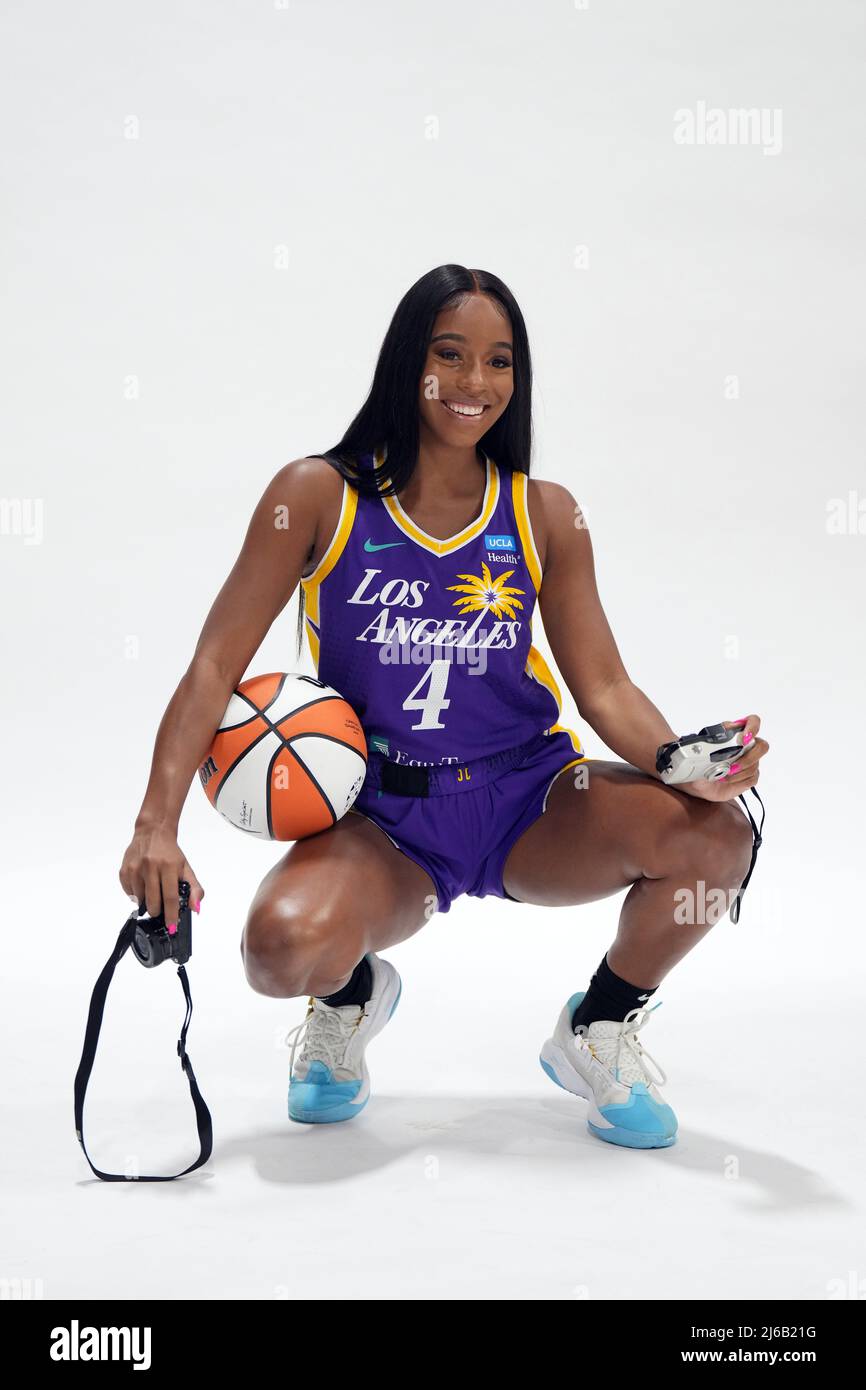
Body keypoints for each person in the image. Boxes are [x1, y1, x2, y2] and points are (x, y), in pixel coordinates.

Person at [119, 264, 768, 1151]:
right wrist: (157, 822)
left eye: (499, 361)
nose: (475, 383)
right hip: (382, 820)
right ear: (406, 363)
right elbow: (212, 665)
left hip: (529, 802)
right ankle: (349, 997)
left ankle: (598, 1028)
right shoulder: (316, 494)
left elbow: (606, 686)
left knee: (719, 834)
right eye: (450, 355)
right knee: (276, 951)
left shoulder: (544, 514)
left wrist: (679, 762)